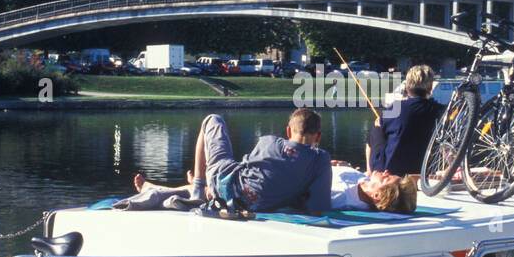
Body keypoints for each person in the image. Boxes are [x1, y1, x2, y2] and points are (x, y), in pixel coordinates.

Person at [189, 109, 331, 213]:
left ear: (288, 131)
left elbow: (247, 168)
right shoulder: (320, 160)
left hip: (225, 184)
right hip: (249, 204)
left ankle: (198, 189)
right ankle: (203, 189)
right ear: (318, 137)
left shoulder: (269, 141)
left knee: (213, 119)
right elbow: (318, 206)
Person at [366, 64, 443, 176]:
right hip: (423, 170)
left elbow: (377, 133)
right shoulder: (439, 111)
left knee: (376, 129)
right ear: (430, 89)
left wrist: (378, 128)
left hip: (388, 171)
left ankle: (370, 172)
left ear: (407, 89)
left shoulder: (395, 108)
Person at [327, 162, 417, 213]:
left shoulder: (340, 197)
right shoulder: (363, 179)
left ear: (377, 195)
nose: (386, 171)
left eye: (387, 178)